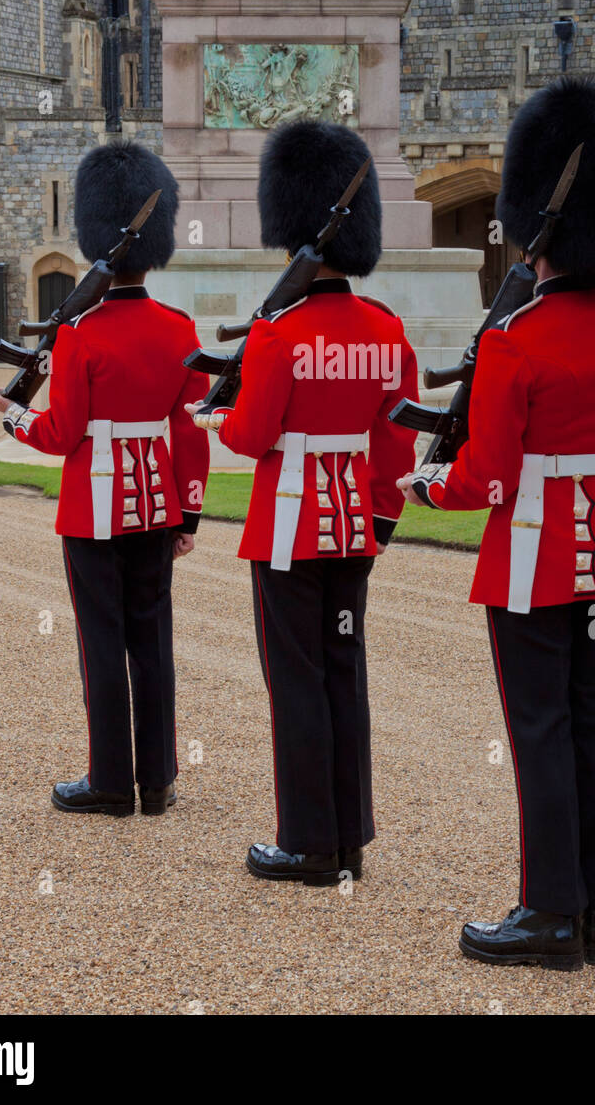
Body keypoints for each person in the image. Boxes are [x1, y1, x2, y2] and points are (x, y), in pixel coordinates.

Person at [399, 75, 595, 968]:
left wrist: (427, 488)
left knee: (541, 732)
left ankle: (549, 913)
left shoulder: (515, 343)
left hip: (533, 566)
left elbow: (489, 477)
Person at [191, 120, 418, 885]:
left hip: (289, 531)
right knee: (341, 672)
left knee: (296, 682)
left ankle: (307, 844)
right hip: (356, 526)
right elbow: (394, 446)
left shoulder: (279, 335)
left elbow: (251, 441)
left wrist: (218, 416)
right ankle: (350, 835)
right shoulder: (388, 331)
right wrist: (381, 520)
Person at [0, 141, 210, 818]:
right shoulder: (180, 329)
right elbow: (190, 432)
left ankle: (110, 780)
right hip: (157, 510)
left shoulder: (81, 335)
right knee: (153, 642)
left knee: (101, 646)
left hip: (93, 512)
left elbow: (59, 435)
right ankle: (160, 780)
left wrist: (13, 418)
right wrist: (188, 517)